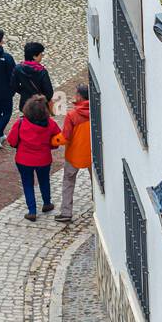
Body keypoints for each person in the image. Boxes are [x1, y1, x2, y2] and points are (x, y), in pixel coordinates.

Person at [6, 94, 59, 221]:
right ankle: (47, 203)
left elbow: (12, 141)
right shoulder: (50, 124)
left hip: (24, 160)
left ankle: (32, 211)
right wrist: (50, 146)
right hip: (43, 159)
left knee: (27, 184)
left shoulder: (20, 124)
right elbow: (57, 139)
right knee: (44, 180)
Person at [54, 84, 91, 223]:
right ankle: (99, 207)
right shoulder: (96, 110)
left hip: (74, 156)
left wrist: (53, 140)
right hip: (92, 155)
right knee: (97, 182)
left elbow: (65, 137)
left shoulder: (72, 115)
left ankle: (66, 212)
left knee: (68, 182)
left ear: (80, 97)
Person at [13, 41, 54, 114]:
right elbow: (49, 92)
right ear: (34, 56)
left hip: (25, 104)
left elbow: (14, 85)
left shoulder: (18, 68)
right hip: (39, 106)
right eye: (41, 55)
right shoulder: (42, 71)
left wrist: (23, 92)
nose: (42, 56)